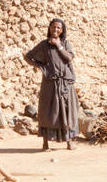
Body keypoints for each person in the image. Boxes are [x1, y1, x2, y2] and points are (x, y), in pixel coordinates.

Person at [24, 18, 81, 150]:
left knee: (68, 111)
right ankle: (45, 143)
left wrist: (58, 45)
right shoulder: (43, 45)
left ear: (62, 30)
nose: (55, 30)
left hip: (65, 83)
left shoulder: (65, 44)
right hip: (50, 84)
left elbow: (69, 58)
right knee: (48, 111)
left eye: (58, 28)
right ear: (49, 28)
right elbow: (28, 56)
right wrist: (42, 67)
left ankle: (69, 141)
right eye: (53, 27)